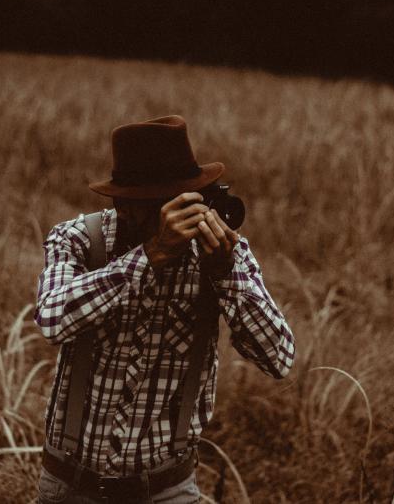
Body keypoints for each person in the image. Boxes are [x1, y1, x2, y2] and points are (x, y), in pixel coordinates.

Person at [34, 115, 295, 503]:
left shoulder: (221, 251)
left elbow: (279, 358)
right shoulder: (80, 239)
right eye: (163, 203)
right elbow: (52, 319)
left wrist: (225, 273)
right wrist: (149, 256)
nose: (177, 218)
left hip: (167, 487)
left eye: (184, 200)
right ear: (125, 205)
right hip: (71, 484)